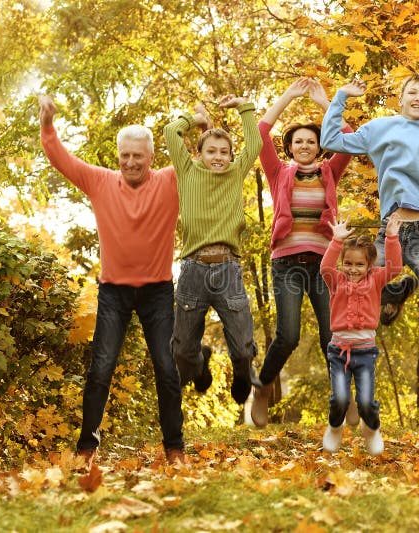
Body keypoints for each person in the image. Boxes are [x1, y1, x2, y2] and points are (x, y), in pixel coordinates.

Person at [38, 95, 185, 465]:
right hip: (113, 293)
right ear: (118, 155)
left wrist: (195, 125)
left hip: (157, 293)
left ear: (152, 157)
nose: (131, 162)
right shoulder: (100, 182)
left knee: (167, 369)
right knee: (100, 369)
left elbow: (210, 165)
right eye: (125, 155)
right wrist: (47, 125)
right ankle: (86, 450)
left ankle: (175, 449)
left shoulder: (172, 181)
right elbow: (62, 160)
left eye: (138, 155)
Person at [320, 75, 419, 327]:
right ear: (400, 99)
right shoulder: (379, 128)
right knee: (352, 285)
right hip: (390, 233)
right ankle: (399, 290)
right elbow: (330, 140)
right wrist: (341, 96)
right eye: (413, 92)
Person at [250, 78, 358, 428]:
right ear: (291, 147)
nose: (306, 146)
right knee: (288, 335)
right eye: (299, 141)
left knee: (333, 336)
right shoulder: (278, 172)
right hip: (286, 264)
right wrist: (288, 96)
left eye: (312, 141)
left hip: (324, 266)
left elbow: (350, 137)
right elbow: (261, 133)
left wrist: (326, 102)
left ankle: (346, 397)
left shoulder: (330, 171)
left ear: (320, 146)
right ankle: (263, 387)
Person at [164, 95, 263, 406]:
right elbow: (170, 132)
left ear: (231, 156)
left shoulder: (235, 173)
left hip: (228, 269)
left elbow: (256, 144)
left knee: (244, 347)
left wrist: (244, 107)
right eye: (211, 151)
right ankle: (198, 365)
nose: (218, 156)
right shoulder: (188, 171)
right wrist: (196, 118)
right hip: (193, 269)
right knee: (181, 351)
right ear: (199, 153)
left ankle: (243, 371)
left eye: (224, 152)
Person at [319, 214, 403, 456]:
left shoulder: (376, 279)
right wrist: (336, 241)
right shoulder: (335, 280)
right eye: (348, 263)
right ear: (343, 263)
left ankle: (372, 429)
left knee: (366, 402)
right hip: (339, 351)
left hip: (365, 351)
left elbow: (395, 267)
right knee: (340, 399)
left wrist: (391, 237)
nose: (353, 269)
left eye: (359, 265)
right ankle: (335, 427)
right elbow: (325, 266)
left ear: (369, 266)